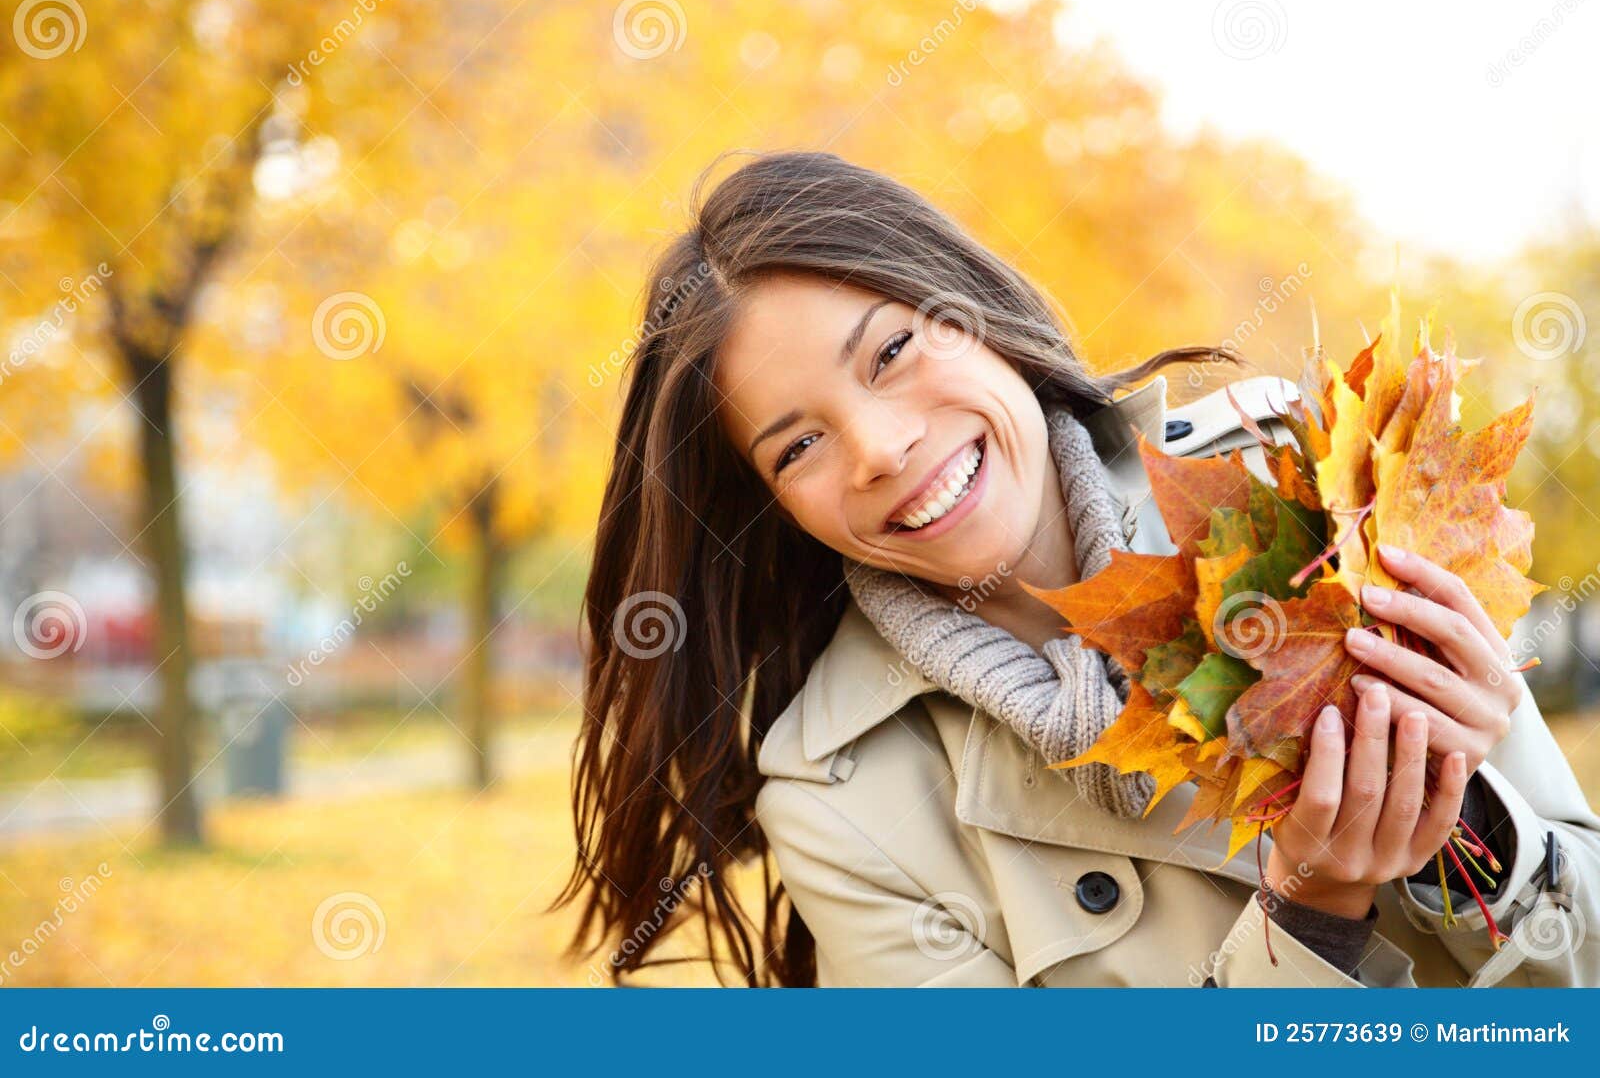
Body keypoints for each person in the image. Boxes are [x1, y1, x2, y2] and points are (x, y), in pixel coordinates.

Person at [559, 149, 1600, 987]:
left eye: (889, 353)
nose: (876, 446)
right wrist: (1305, 918)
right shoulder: (838, 795)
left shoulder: (1296, 474)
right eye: (797, 445)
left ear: (974, 311)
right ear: (772, 503)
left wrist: (1466, 832)